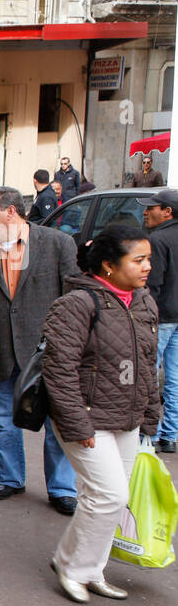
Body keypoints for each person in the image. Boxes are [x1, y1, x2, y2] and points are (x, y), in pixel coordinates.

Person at [43, 223, 159, 602]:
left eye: (148, 260)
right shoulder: (76, 304)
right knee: (107, 495)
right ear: (108, 266)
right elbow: (59, 370)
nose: (147, 268)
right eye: (138, 260)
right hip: (86, 419)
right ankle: (72, 567)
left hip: (127, 417)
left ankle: (90, 568)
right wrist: (77, 423)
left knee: (111, 497)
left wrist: (150, 413)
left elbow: (147, 362)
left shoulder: (143, 301)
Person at [0, 186, 79, 513]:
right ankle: (10, 479)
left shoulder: (57, 244)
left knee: (57, 424)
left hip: (49, 353)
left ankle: (62, 488)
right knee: (2, 422)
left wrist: (76, 347)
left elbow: (75, 300)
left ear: (10, 212)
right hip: (0, 351)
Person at [139, 188, 178, 452]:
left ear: (167, 212)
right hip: (174, 317)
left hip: (161, 317)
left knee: (147, 376)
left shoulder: (158, 240)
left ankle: (147, 435)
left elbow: (152, 284)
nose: (145, 211)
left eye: (151, 207)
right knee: (174, 378)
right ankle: (170, 434)